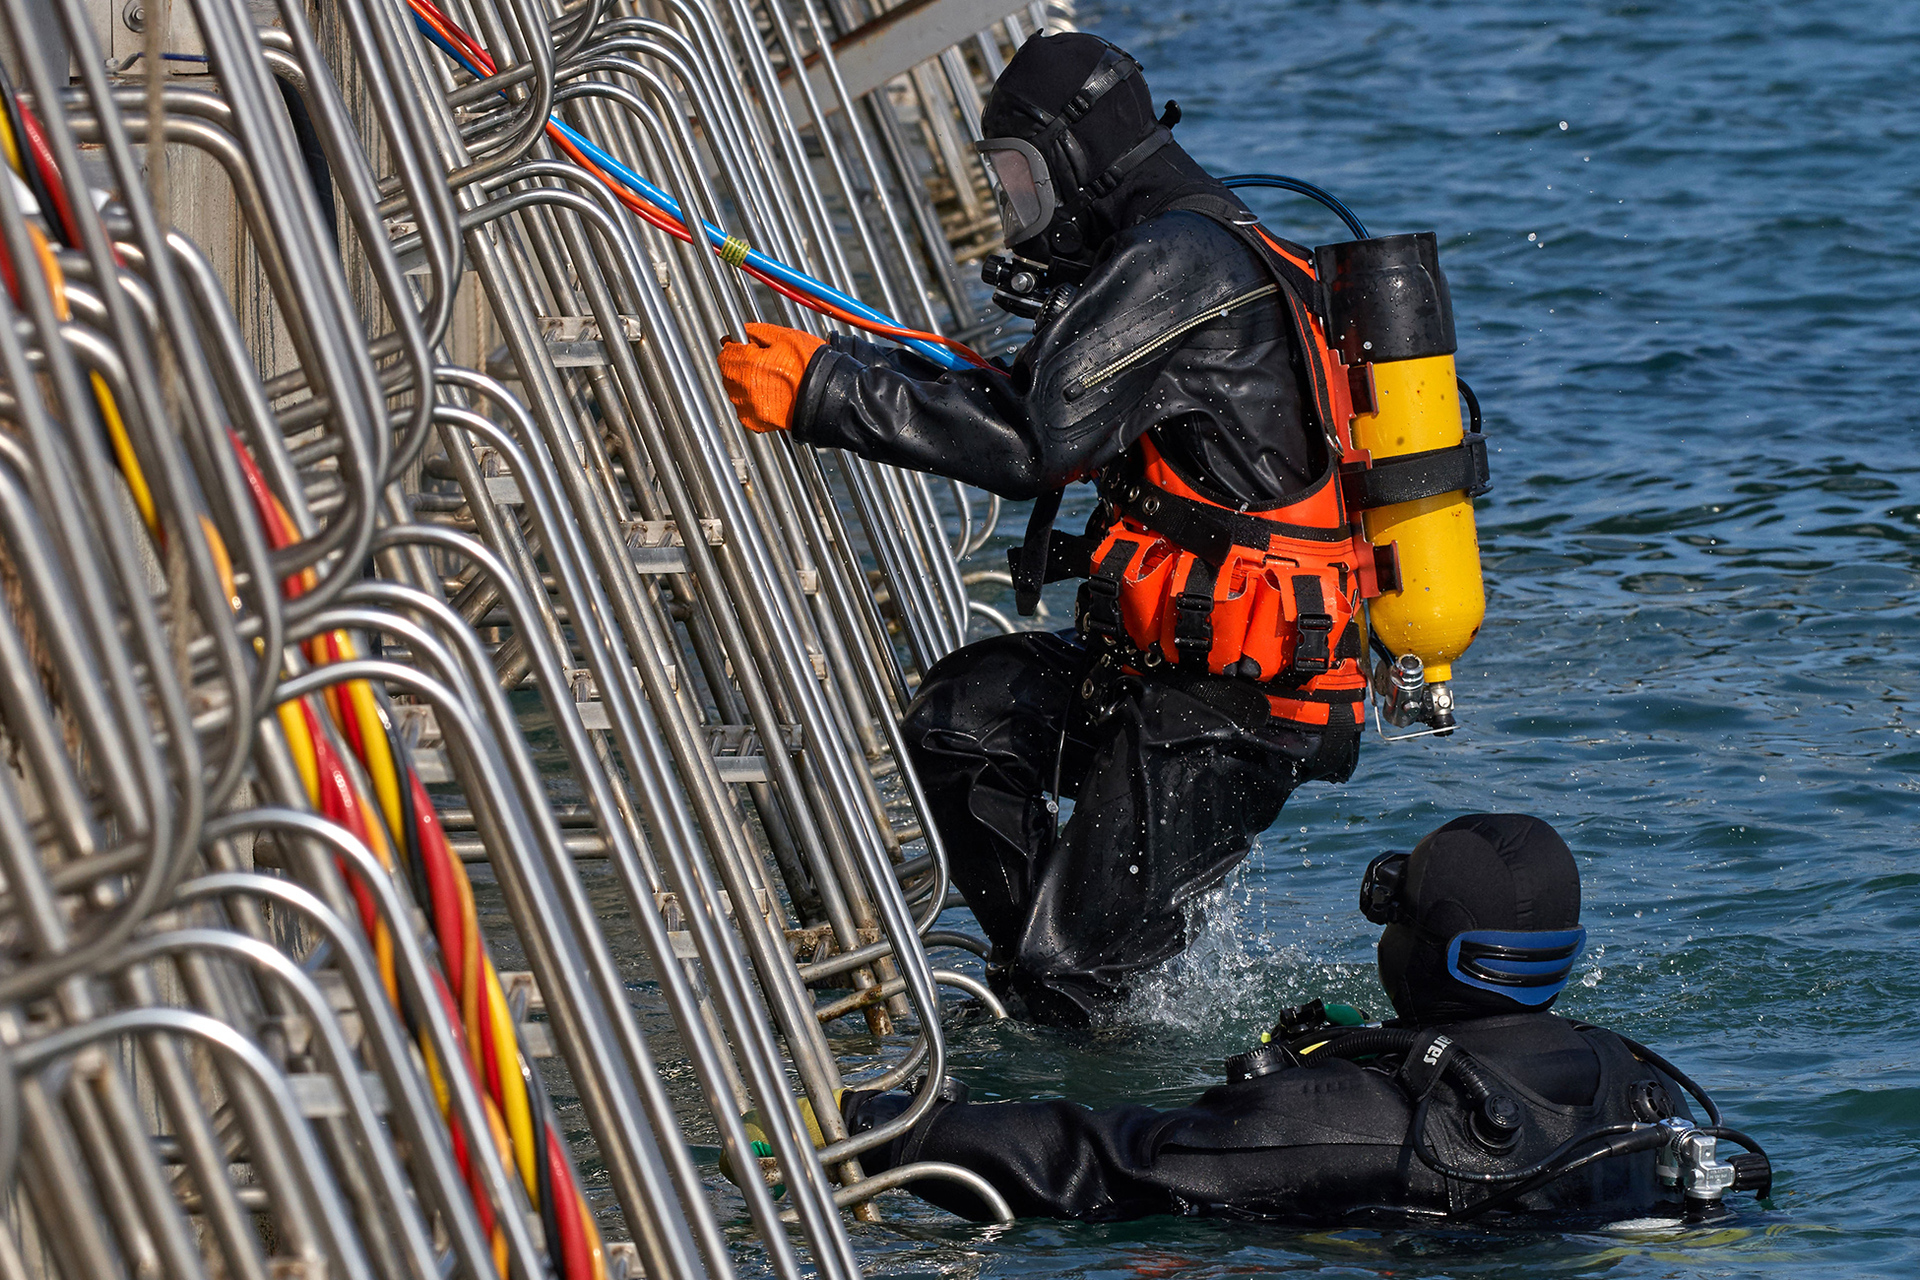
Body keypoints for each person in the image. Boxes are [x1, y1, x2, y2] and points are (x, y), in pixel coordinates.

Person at [717, 32, 1376, 1025]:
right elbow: (1034, 396)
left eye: (1021, 175)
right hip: (1165, 665)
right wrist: (847, 366)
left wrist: (825, 393)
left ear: (1079, 153)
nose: (1017, 204)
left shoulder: (1178, 258)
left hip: (1241, 697)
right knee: (962, 721)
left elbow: (1033, 440)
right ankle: (1057, 975)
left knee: (1075, 976)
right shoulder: (1174, 245)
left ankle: (1074, 1030)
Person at [811, 815, 1771, 1224]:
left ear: (1426, 950)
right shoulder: (1641, 1090)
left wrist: (877, 1127)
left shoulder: (1354, 1117)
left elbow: (1091, 1160)